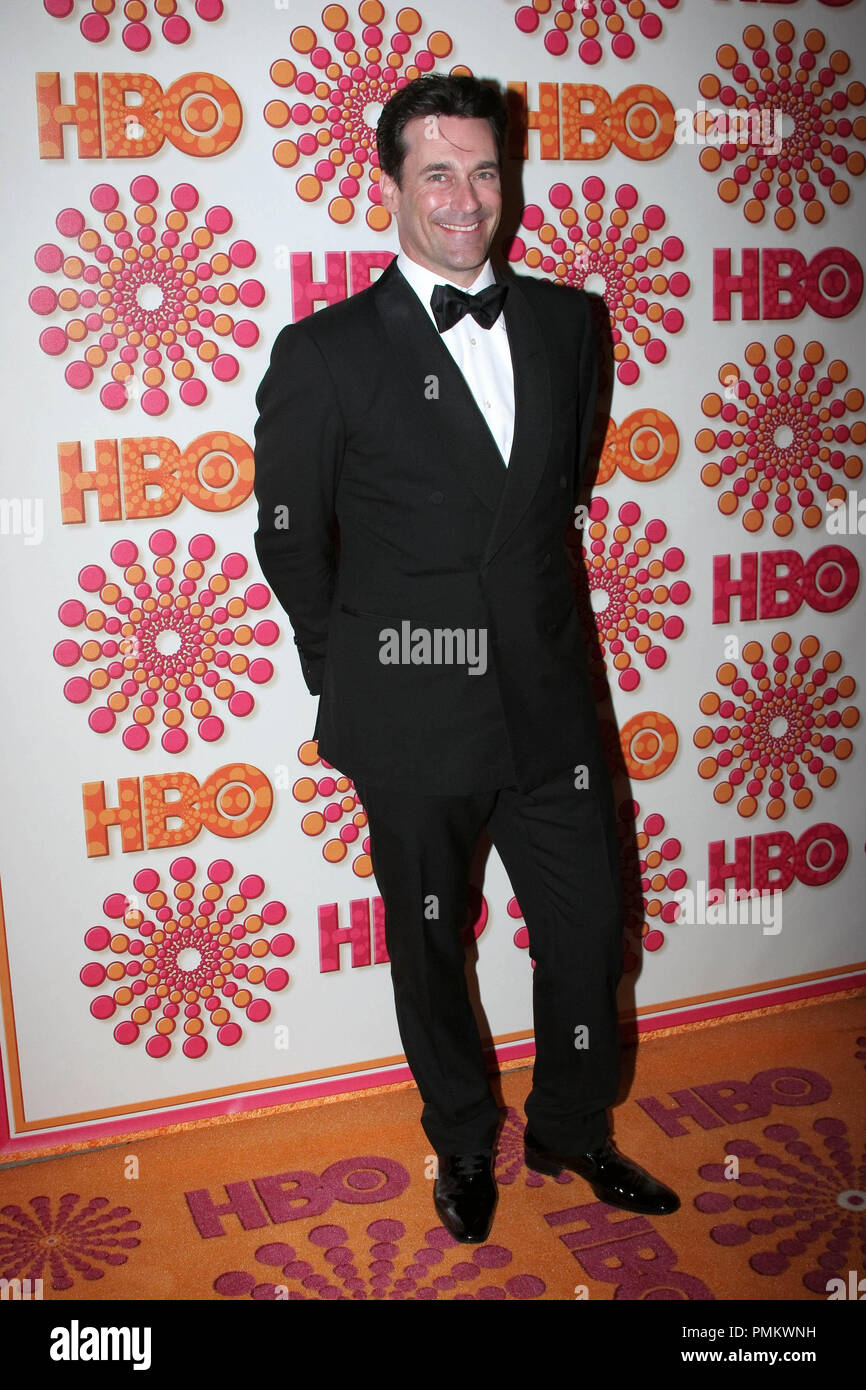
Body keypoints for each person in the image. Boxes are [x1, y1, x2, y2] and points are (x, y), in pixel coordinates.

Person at [253, 73, 679, 1243]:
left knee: (589, 930)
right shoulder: (325, 352)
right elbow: (289, 537)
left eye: (484, 169)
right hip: (411, 718)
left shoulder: (565, 323)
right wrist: (350, 674)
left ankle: (571, 1126)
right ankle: (458, 1138)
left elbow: (553, 500)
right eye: (436, 170)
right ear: (390, 182)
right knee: (430, 945)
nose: (464, 195)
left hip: (547, 704)